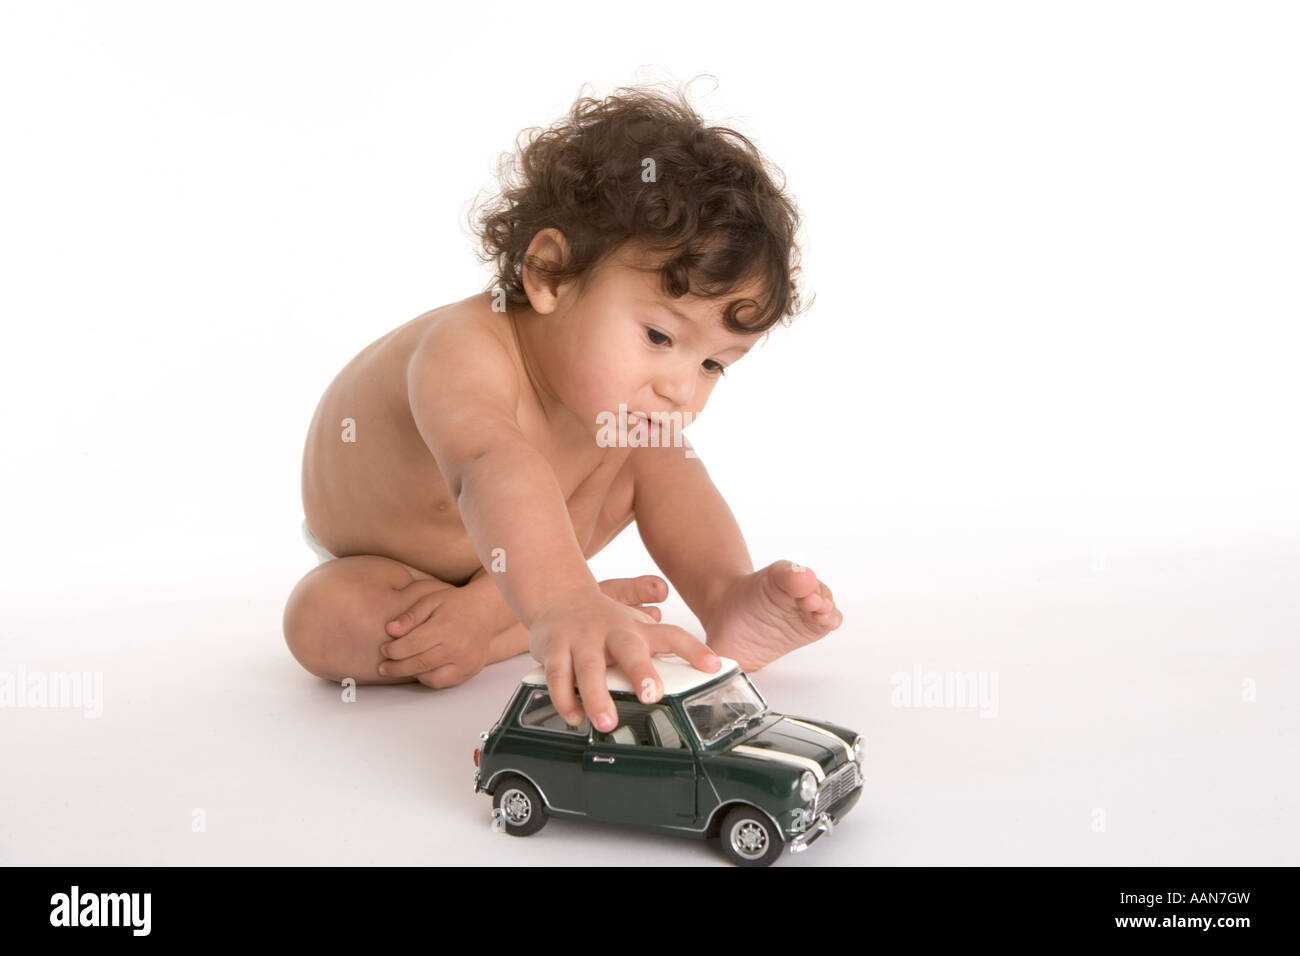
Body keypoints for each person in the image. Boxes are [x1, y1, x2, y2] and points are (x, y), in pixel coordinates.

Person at [283, 81, 842, 733]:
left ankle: (723, 595)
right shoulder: (462, 351)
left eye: (714, 364)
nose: (681, 390)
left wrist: (558, 595)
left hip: (530, 554)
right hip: (389, 570)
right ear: (550, 274)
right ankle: (538, 616)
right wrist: (563, 599)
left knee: (660, 453)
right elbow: (491, 467)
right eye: (660, 337)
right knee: (319, 625)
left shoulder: (613, 406)